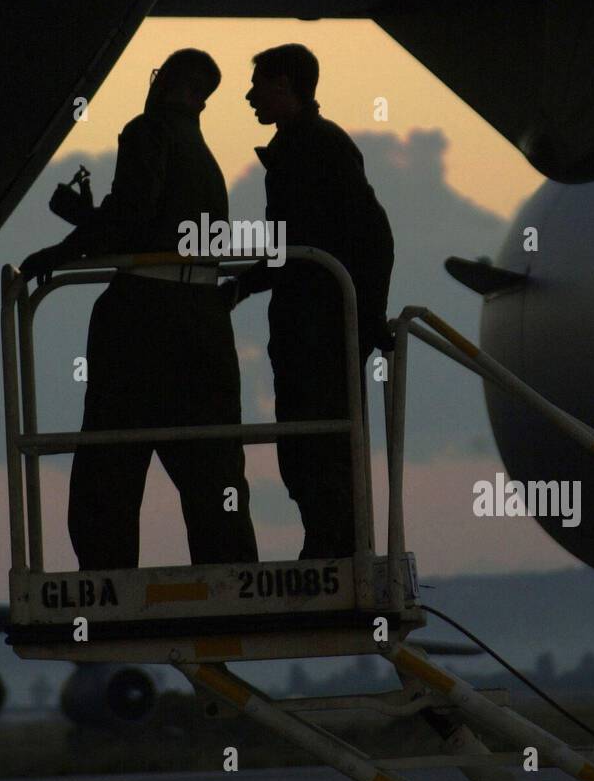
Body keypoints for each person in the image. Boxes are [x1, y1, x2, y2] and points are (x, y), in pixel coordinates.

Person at [21, 49, 258, 570]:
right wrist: (91, 223)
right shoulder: (204, 156)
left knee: (110, 461)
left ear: (165, 81)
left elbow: (133, 217)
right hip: (204, 320)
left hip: (144, 320)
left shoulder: (147, 130)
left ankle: (106, 579)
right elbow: (157, 220)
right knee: (213, 465)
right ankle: (232, 577)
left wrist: (63, 249)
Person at [226, 43, 394, 559]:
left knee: (315, 440)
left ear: (284, 86)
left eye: (259, 84)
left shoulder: (319, 148)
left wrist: (361, 321)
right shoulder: (305, 146)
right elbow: (302, 245)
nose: (249, 95)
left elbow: (361, 239)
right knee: (305, 440)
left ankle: (333, 545)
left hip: (320, 330)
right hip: (310, 326)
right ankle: (329, 541)